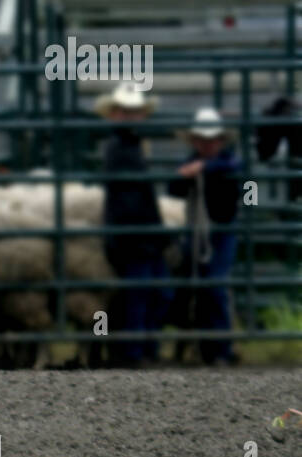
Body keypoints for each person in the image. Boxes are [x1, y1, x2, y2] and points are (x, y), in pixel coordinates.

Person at [96, 82, 169, 367]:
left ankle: (142, 350)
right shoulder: (120, 148)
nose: (130, 116)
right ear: (115, 114)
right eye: (125, 111)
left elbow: (137, 195)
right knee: (142, 295)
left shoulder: (129, 146)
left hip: (141, 234)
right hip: (134, 235)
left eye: (134, 111)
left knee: (156, 293)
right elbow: (130, 197)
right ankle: (135, 354)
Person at [168, 108, 241, 366]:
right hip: (198, 234)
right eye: (203, 139)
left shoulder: (226, 162)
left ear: (221, 140)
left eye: (213, 139)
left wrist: (204, 167)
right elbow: (174, 187)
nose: (208, 144)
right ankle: (203, 348)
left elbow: (236, 168)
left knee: (215, 284)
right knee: (195, 286)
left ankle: (221, 349)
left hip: (220, 233)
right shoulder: (192, 164)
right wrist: (189, 173)